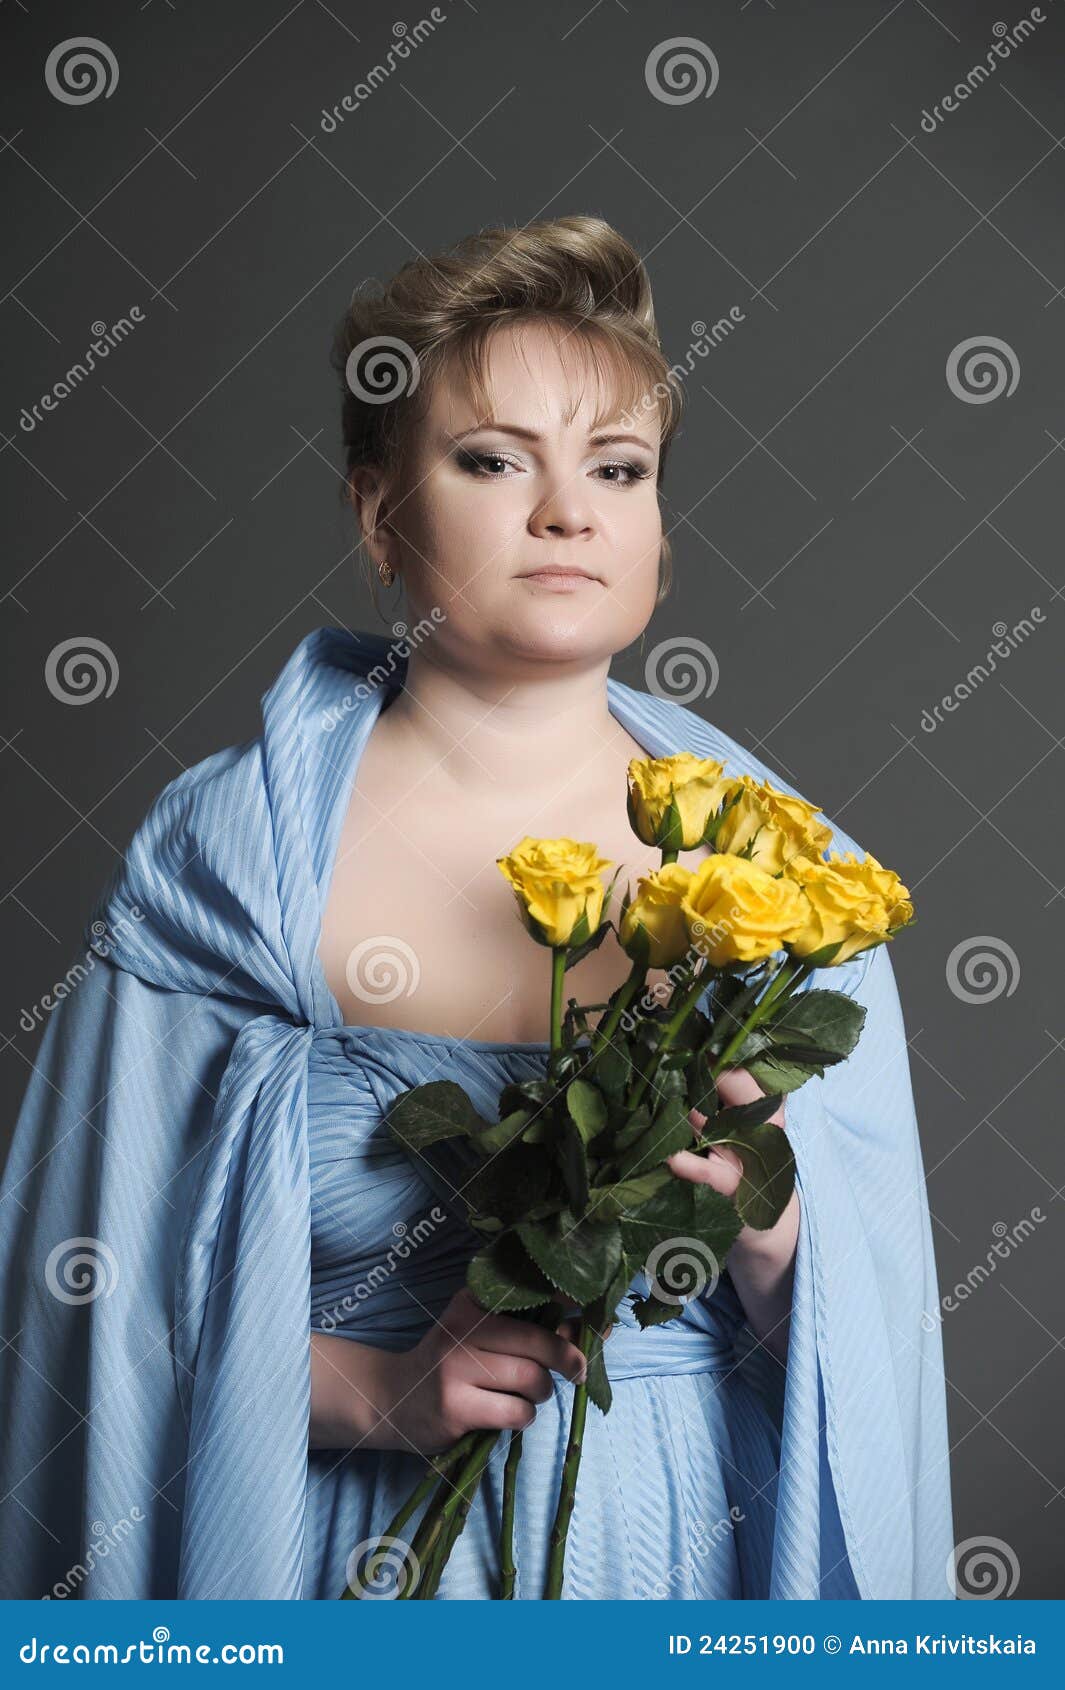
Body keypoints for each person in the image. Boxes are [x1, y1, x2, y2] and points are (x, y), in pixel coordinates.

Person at [0, 216, 954, 1601]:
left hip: (678, 1561)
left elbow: (868, 1372)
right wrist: (379, 1391)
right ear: (378, 511)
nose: (567, 511)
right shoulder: (230, 861)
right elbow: (86, 1310)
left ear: (658, 532)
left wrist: (773, 1228)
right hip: (350, 1565)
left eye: (616, 468)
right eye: (494, 460)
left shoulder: (796, 887)